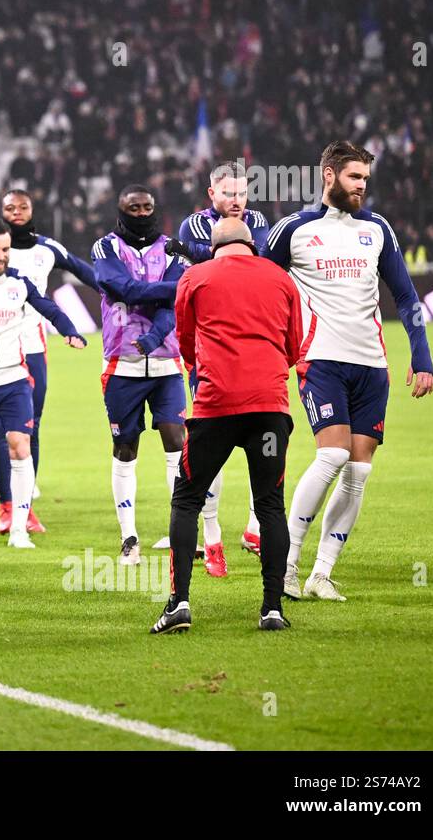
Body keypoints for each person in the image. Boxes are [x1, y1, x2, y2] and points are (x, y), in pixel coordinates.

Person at [265, 140, 433, 602]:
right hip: (321, 360)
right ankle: (286, 564)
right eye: (354, 177)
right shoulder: (295, 229)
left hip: (371, 366)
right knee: (333, 456)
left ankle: (322, 573)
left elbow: (406, 297)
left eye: (365, 179)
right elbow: (259, 285)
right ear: (329, 176)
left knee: (359, 472)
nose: (361, 186)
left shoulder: (377, 229)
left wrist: (422, 357)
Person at [150, 218, 301, 634]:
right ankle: (271, 608)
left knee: (187, 500)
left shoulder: (195, 277)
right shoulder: (279, 277)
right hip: (269, 408)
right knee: (270, 505)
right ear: (251, 245)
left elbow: (184, 342)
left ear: (213, 247)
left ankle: (178, 604)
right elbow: (294, 345)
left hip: (216, 406)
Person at [0, 188, 97, 533]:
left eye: (23, 206)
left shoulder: (46, 249)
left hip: (31, 349)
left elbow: (86, 273)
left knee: (27, 428)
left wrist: (124, 293)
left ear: (32, 210)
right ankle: (7, 500)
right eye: (10, 207)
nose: (17, 212)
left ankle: (19, 505)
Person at [169, 160, 272, 564]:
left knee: (263, 444)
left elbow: (256, 252)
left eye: (242, 193)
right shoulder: (194, 223)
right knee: (210, 450)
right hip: (212, 353)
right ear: (211, 194)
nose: (237, 201)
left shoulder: (257, 219)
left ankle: (254, 526)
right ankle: (211, 535)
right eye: (228, 193)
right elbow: (231, 253)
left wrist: (195, 253)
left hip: (252, 344)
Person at [91, 185, 187, 566]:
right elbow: (120, 286)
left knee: (175, 442)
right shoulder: (106, 248)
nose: (142, 212)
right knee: (126, 447)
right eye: (134, 207)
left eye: (148, 206)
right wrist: (166, 290)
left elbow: (172, 302)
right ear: (121, 210)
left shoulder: (173, 247)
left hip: (166, 363)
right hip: (121, 363)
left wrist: (151, 326)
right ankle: (128, 536)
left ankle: (179, 530)